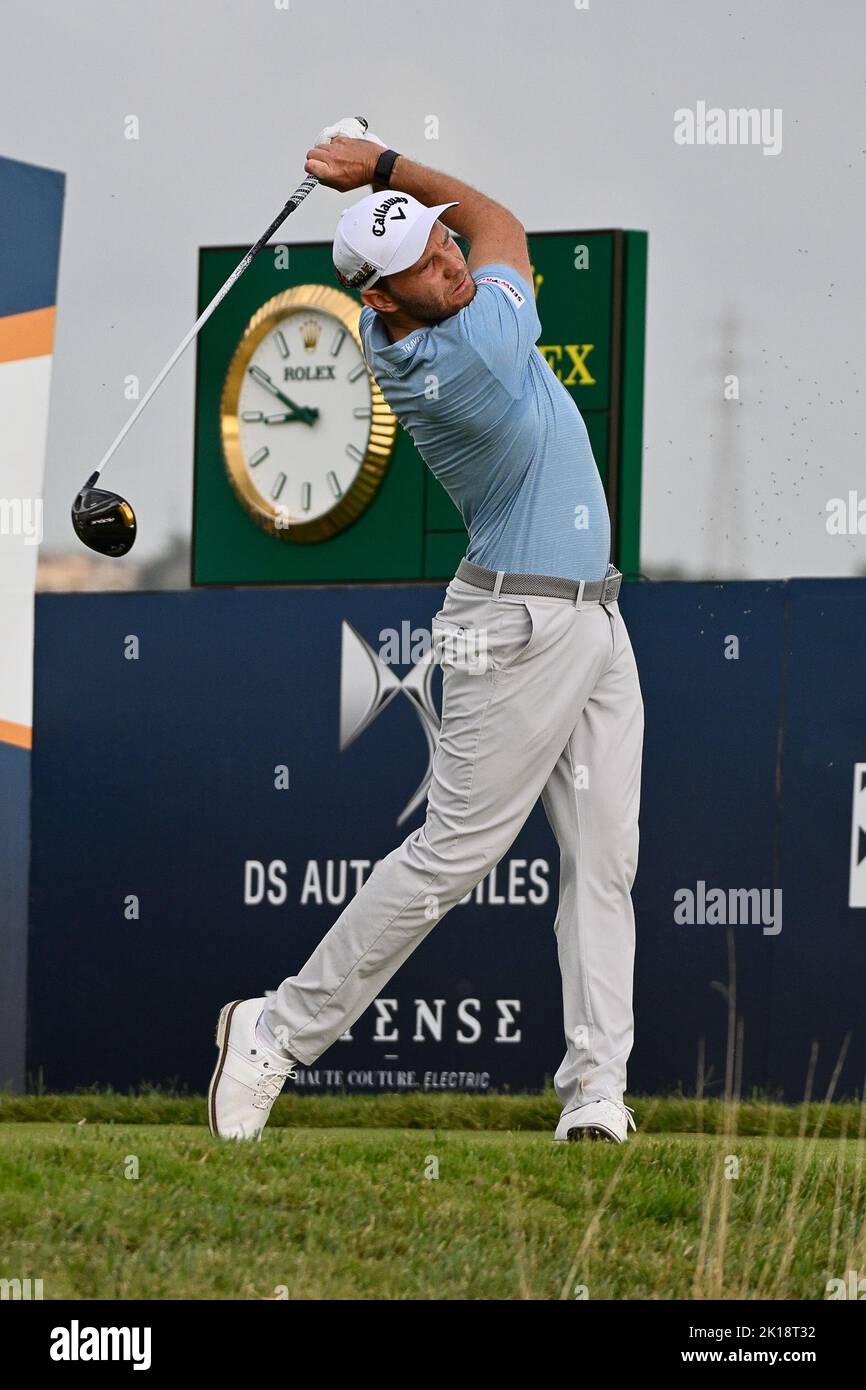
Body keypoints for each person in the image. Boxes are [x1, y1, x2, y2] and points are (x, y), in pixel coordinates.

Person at [208, 119, 644, 1145]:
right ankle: (274, 1028)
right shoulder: (467, 356)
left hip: (590, 615)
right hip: (507, 625)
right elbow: (504, 222)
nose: (451, 260)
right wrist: (388, 165)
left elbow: (480, 227)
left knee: (603, 860)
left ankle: (594, 1090)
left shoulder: (426, 304)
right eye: (420, 263)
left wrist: (388, 184)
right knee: (451, 855)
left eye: (441, 245)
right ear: (379, 298)